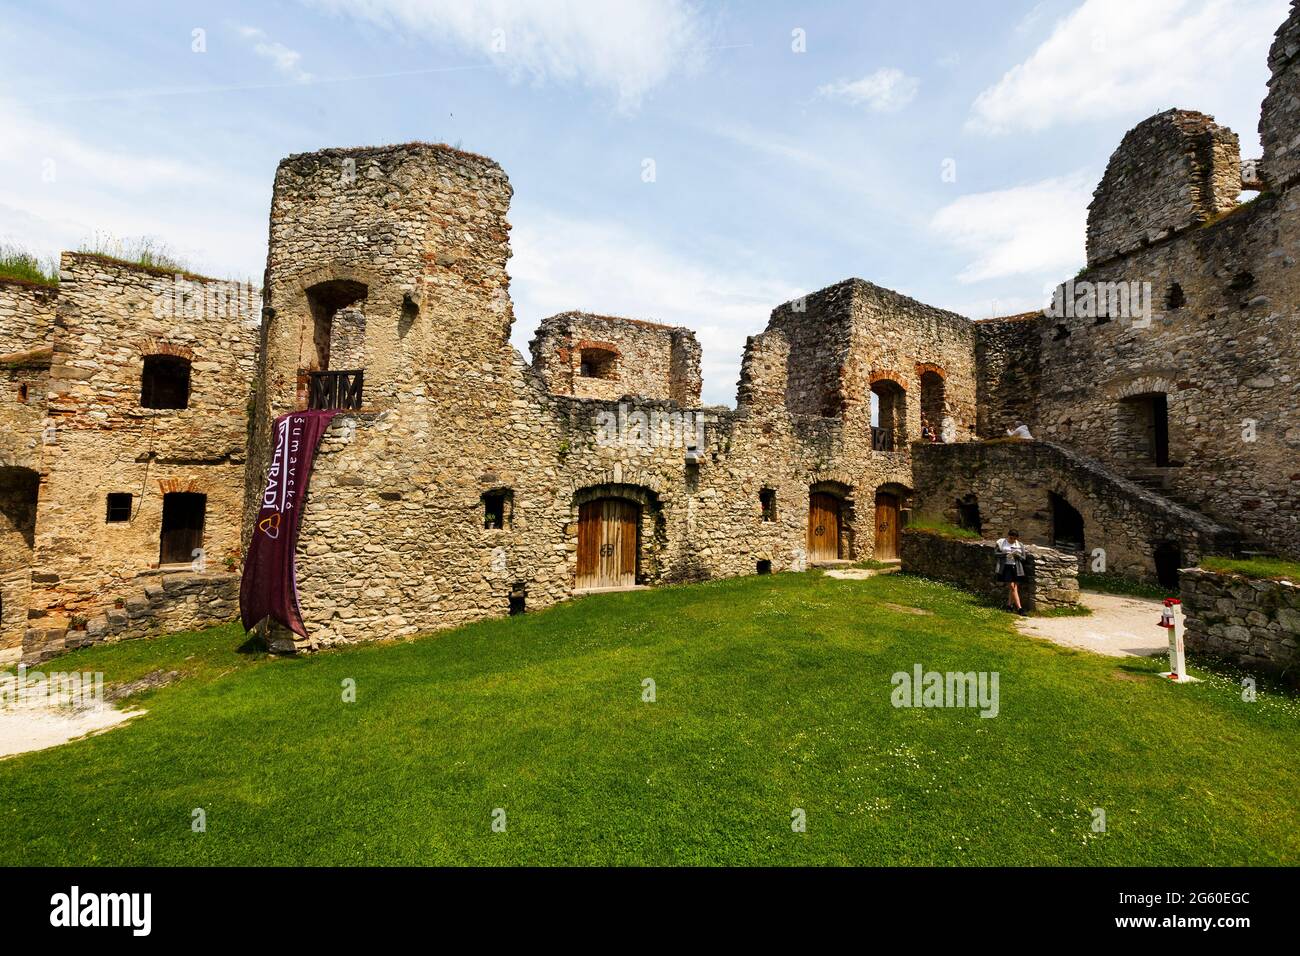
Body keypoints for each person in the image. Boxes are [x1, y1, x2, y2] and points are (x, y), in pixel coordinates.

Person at [995, 529, 1027, 615]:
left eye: (1014, 538)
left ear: (1016, 538)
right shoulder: (1002, 542)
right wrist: (1005, 554)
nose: (1012, 540)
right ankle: (1020, 608)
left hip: (1016, 567)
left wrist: (1017, 556)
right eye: (1010, 537)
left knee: (1013, 588)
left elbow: (1024, 558)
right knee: (1013, 587)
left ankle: (1009, 606)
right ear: (1008, 535)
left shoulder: (1020, 545)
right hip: (1006, 567)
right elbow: (995, 553)